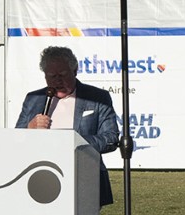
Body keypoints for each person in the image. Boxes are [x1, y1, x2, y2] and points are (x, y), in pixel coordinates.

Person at [14, 46, 118, 206]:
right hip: (41, 178)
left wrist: (73, 142)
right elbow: (16, 140)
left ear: (75, 71)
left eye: (62, 75)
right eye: (52, 76)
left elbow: (110, 139)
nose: (57, 81)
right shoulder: (33, 98)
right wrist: (29, 128)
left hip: (84, 179)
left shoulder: (97, 98)